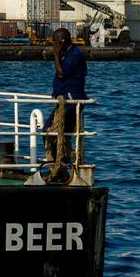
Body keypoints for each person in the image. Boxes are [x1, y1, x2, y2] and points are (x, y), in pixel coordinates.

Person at [48, 28, 88, 180]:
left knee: (58, 133)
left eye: (55, 42)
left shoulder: (74, 55)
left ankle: (62, 166)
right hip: (64, 99)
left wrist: (56, 55)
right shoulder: (68, 54)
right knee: (50, 132)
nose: (53, 44)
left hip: (71, 100)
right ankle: (58, 168)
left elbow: (61, 73)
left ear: (61, 41)